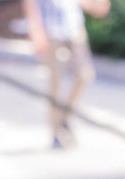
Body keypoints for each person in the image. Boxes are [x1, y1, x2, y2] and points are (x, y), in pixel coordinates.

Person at [23, 0, 110, 149]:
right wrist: (35, 29)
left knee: (84, 75)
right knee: (55, 83)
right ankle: (56, 132)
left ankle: (65, 116)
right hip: (50, 30)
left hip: (74, 28)